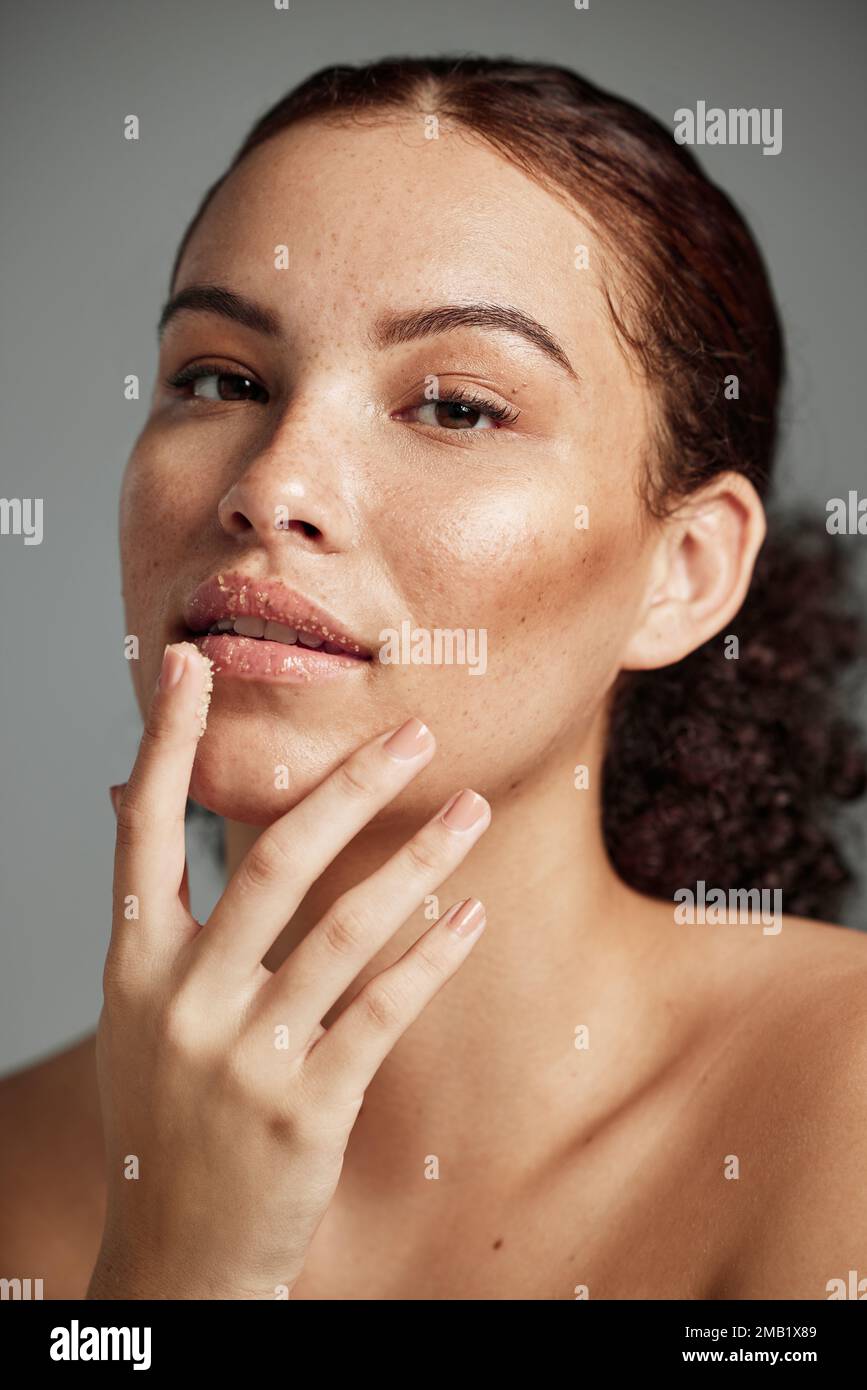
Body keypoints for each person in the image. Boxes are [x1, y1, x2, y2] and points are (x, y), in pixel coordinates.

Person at [2, 57, 866, 1301]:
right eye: (220, 380)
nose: (273, 486)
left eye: (456, 407)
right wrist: (173, 1276)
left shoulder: (841, 1115)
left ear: (682, 571)